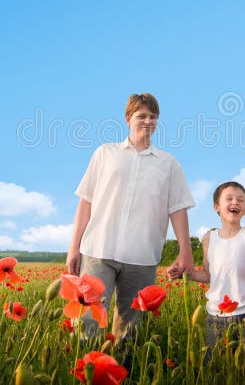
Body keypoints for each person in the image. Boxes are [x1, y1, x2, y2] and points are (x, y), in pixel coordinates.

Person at [67, 93, 196, 342]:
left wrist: (185, 250)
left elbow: (178, 208)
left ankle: (121, 377)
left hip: (142, 257)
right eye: (142, 116)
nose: (148, 121)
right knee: (86, 325)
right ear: (128, 119)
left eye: (153, 117)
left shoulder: (168, 164)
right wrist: (74, 248)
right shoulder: (105, 154)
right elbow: (86, 201)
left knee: (130, 333)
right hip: (98, 250)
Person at [177, 181, 245, 359]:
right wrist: (185, 273)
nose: (235, 203)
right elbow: (208, 275)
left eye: (241, 200)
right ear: (217, 207)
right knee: (215, 365)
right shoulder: (209, 238)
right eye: (229, 199)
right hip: (215, 315)